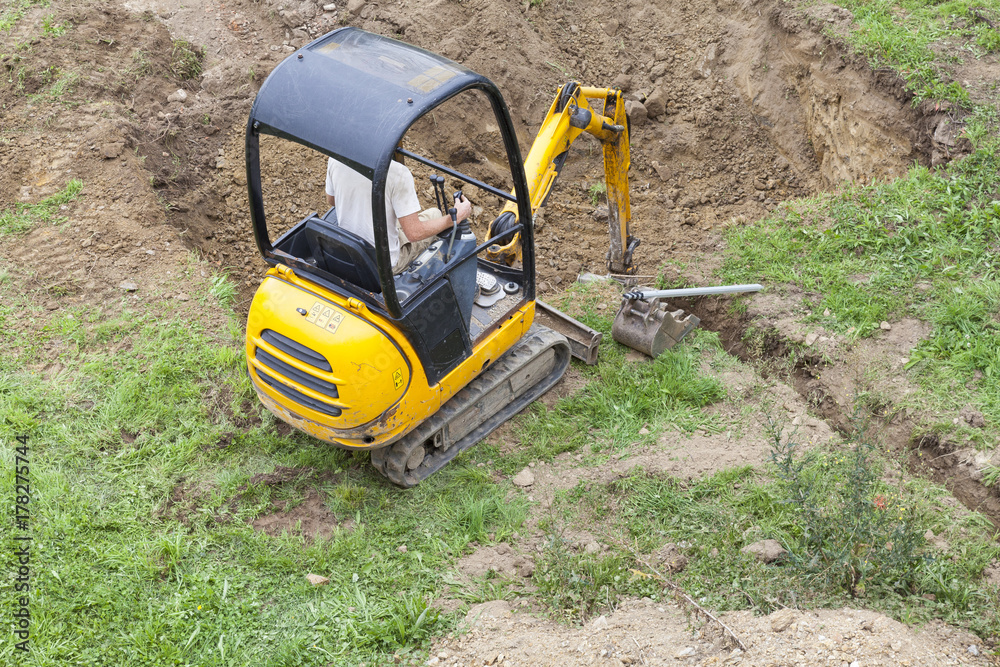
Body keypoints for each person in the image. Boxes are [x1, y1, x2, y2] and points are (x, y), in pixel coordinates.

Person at [325, 155, 472, 274]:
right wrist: (455, 217)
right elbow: (414, 233)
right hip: (384, 264)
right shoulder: (397, 173)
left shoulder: (336, 158)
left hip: (349, 251)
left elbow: (331, 200)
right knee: (435, 213)